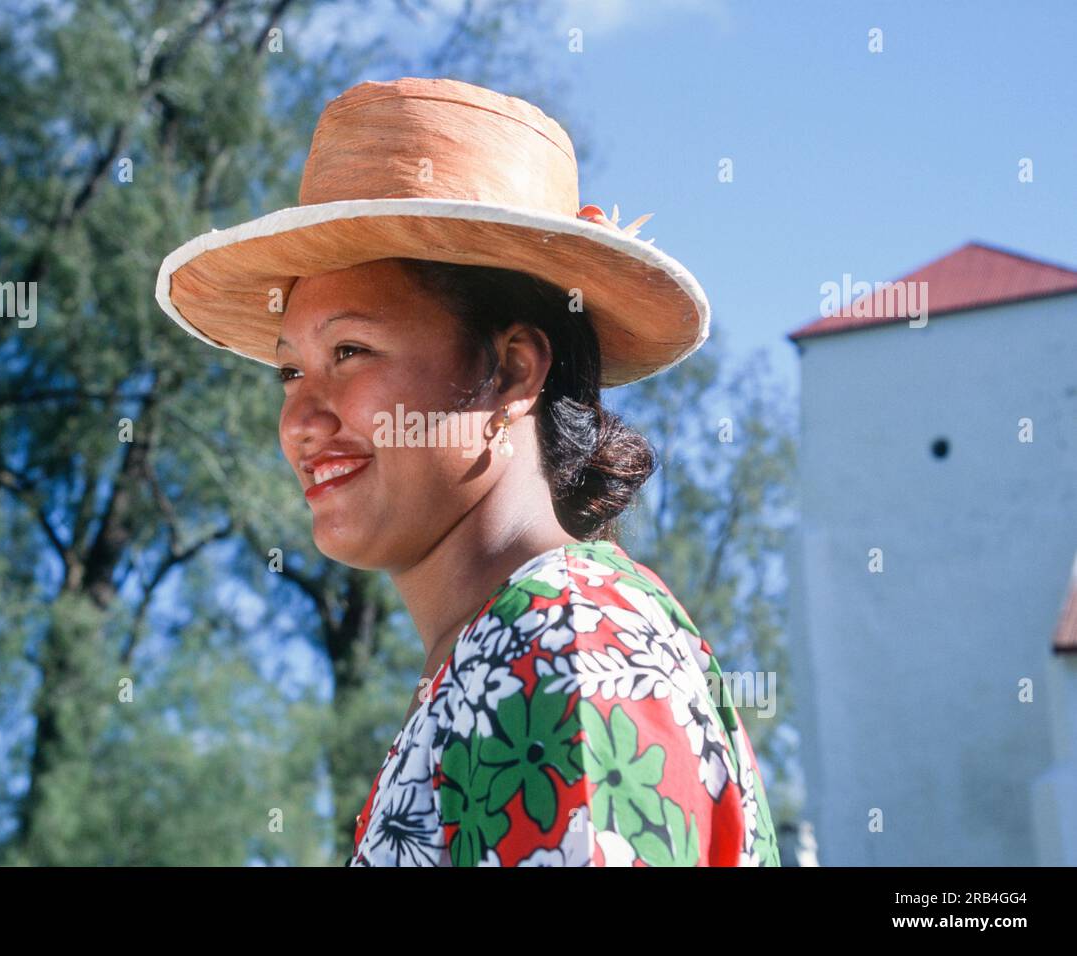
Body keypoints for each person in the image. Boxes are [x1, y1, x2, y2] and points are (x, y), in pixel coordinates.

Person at [155, 76, 780, 867]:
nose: (299, 422)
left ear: (512, 371)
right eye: (289, 373)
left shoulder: (562, 642)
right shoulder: (509, 651)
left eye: (349, 352)